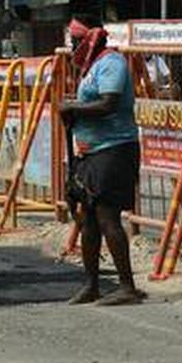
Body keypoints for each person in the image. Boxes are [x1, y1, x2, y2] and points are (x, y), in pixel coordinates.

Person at [59, 15, 144, 306]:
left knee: (108, 216)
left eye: (76, 41)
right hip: (92, 151)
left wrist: (74, 107)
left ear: (89, 39)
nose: (73, 46)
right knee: (88, 219)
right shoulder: (92, 67)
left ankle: (126, 286)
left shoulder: (112, 63)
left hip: (115, 148)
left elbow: (108, 103)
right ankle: (92, 283)